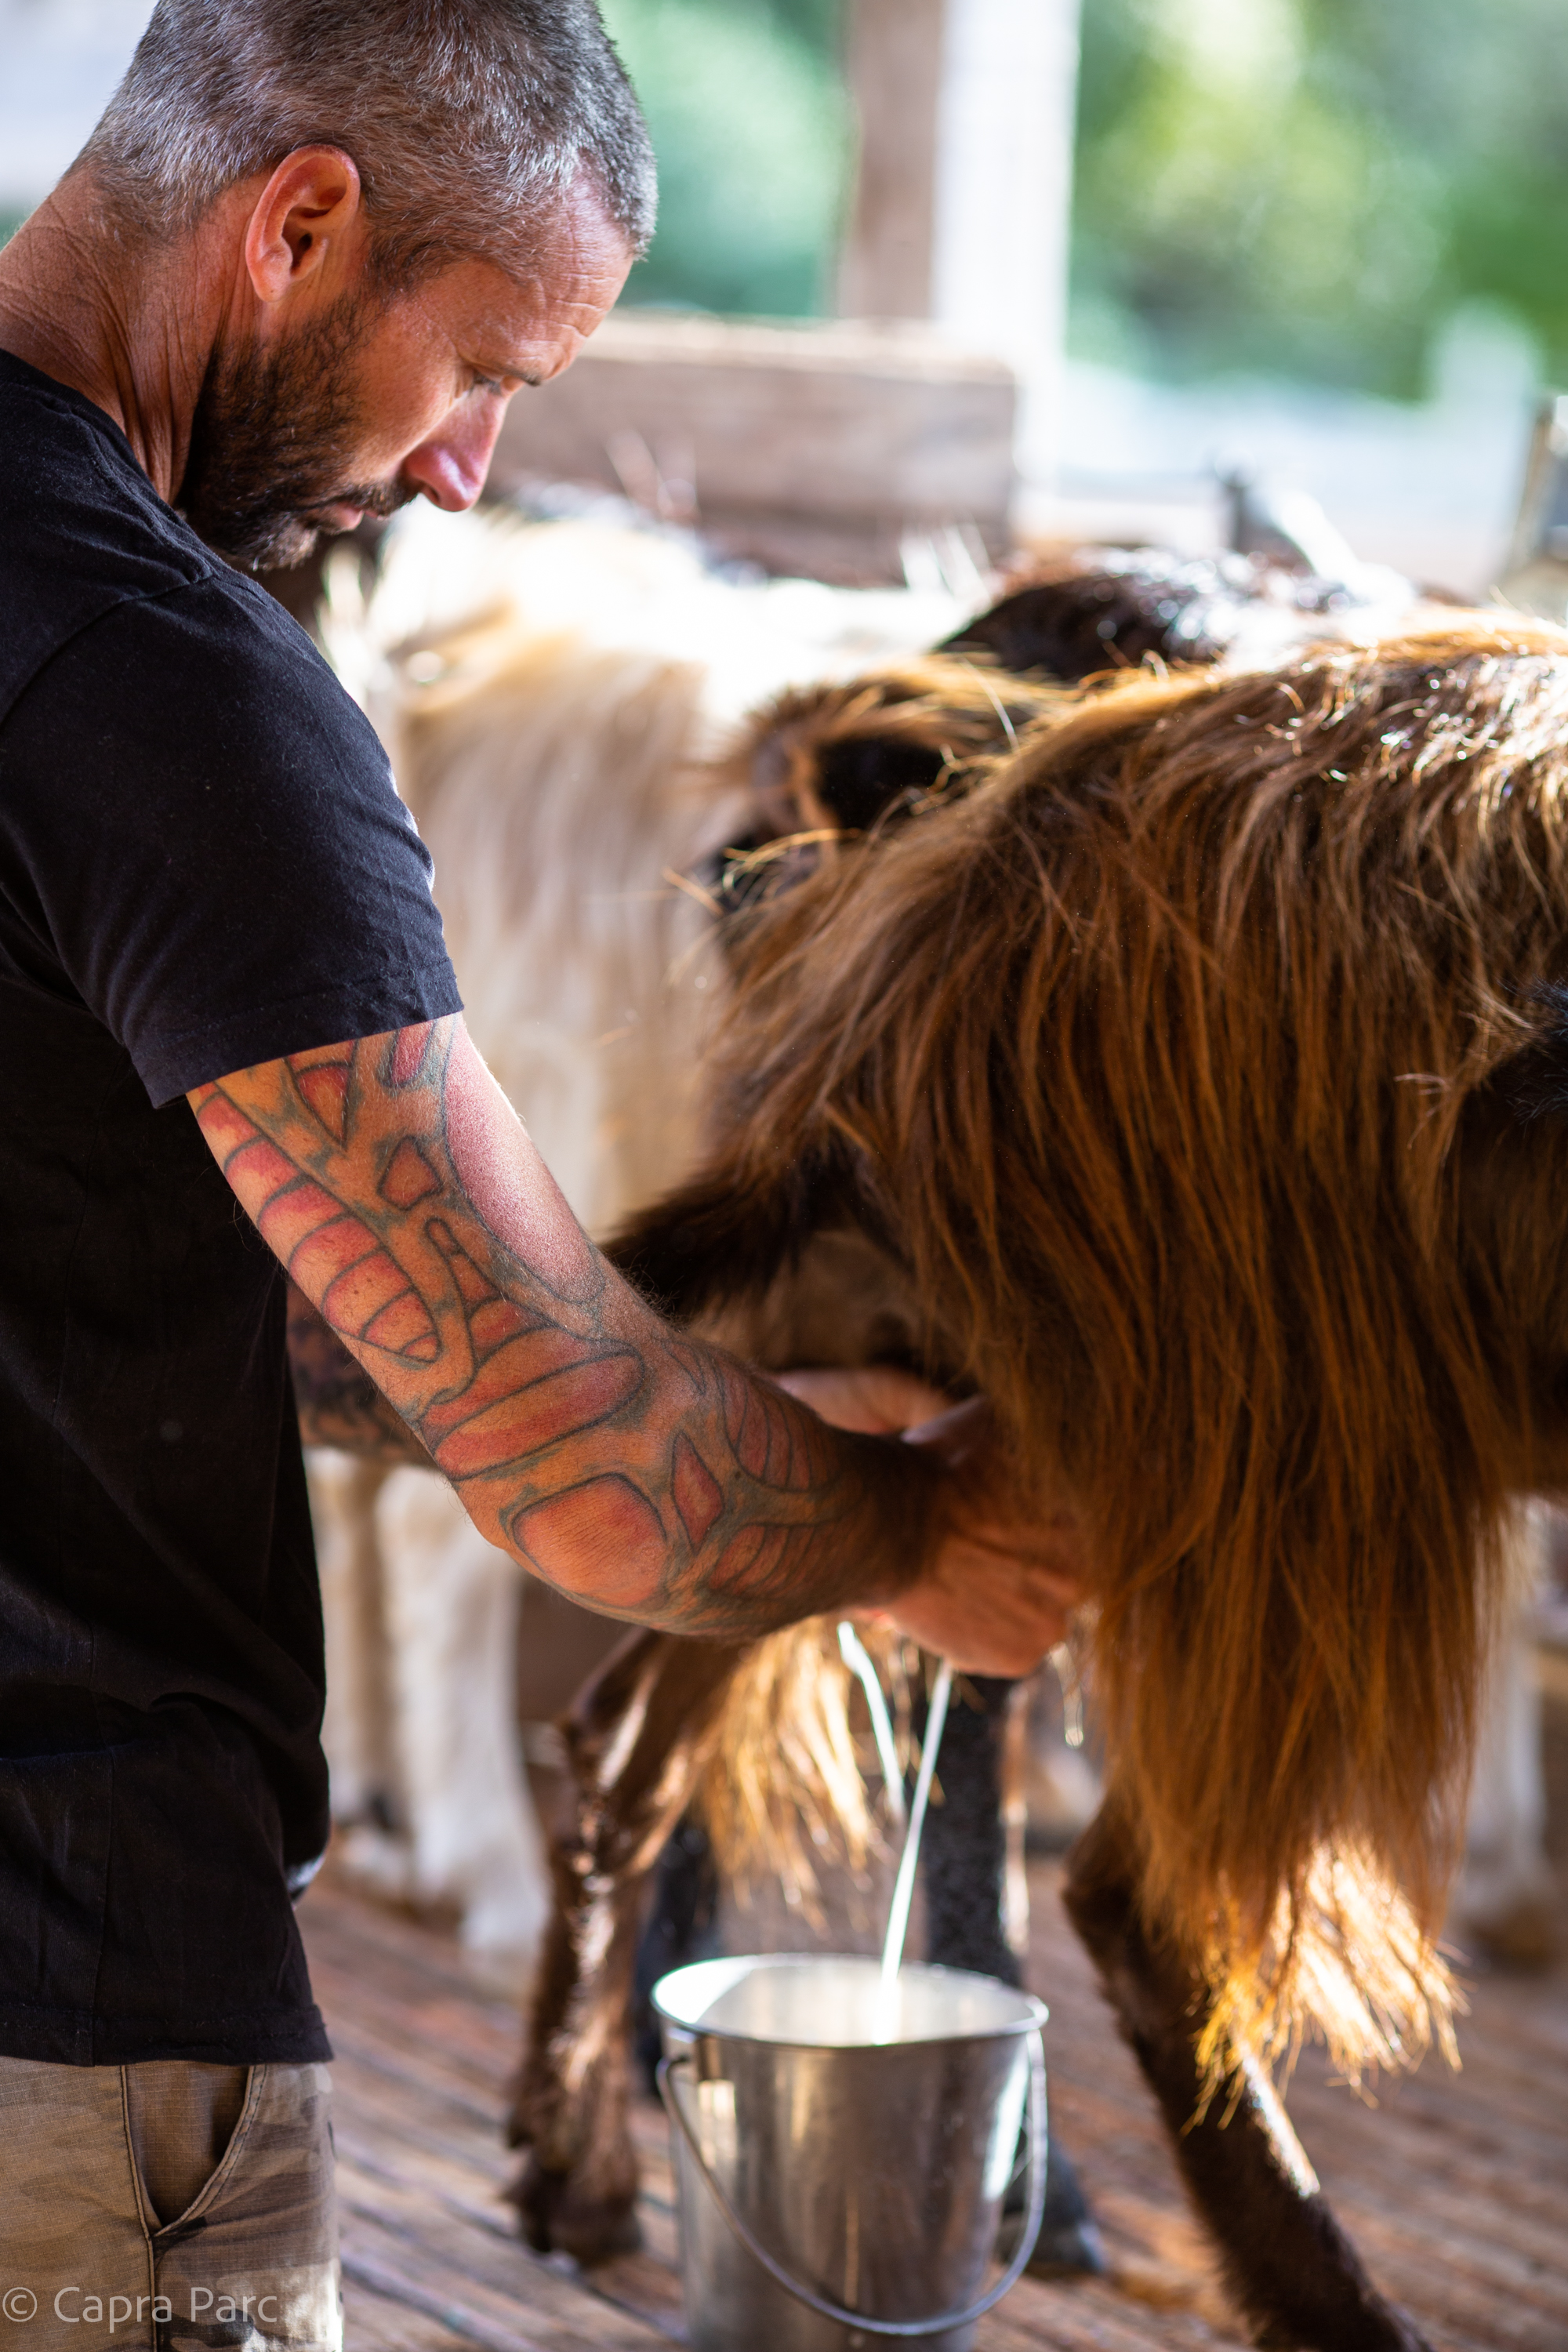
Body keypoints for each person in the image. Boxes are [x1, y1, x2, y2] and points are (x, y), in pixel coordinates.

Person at [0, 2, 1080, 2339]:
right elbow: (575, 1465)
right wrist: (916, 1534)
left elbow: (163, 1269)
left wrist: (749, 1411)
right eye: (482, 365)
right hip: (64, 2022)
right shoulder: (176, 699)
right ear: (298, 226)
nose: (471, 469)